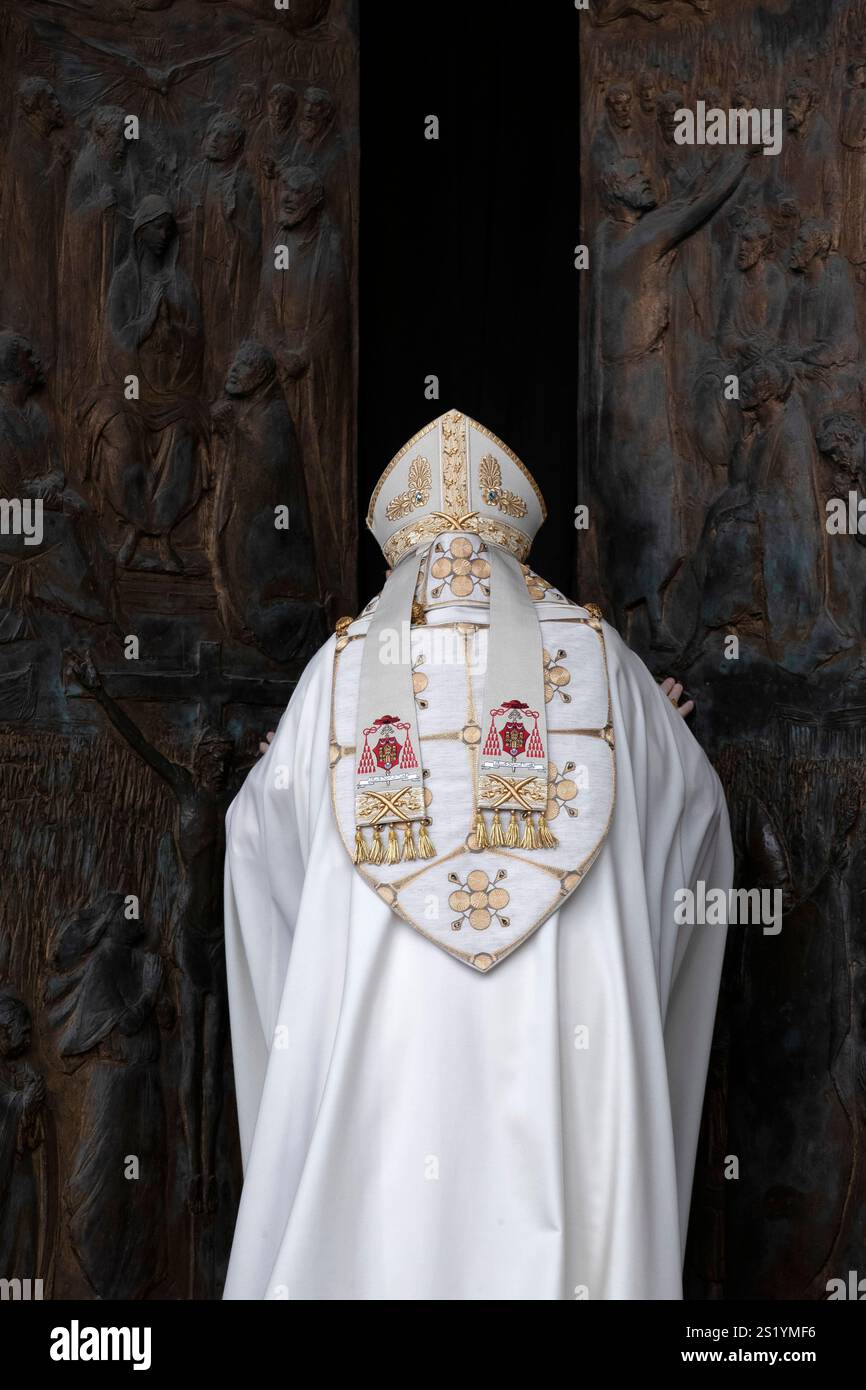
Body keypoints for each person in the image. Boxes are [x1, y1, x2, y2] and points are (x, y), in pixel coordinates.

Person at [222, 407, 733, 1300]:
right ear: (514, 553)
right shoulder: (607, 665)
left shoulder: (331, 676)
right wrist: (650, 751)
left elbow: (257, 851)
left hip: (382, 1071)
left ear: (404, 558)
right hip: (567, 1061)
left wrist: (297, 788)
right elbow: (694, 820)